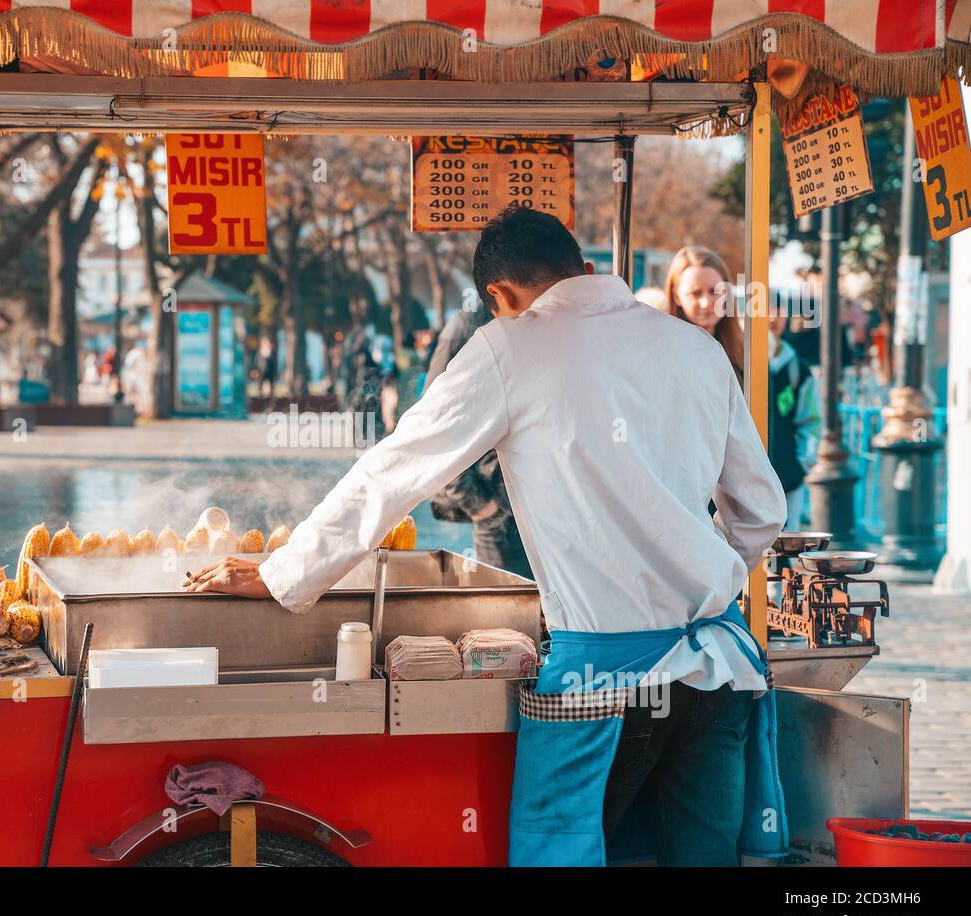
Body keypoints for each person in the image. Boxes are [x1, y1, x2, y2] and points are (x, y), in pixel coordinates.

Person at [186, 207, 787, 867]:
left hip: (600, 682)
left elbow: (393, 471)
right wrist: (695, 577)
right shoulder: (695, 347)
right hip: (718, 676)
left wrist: (283, 574)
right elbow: (761, 511)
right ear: (585, 270)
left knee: (565, 851)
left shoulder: (512, 346)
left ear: (499, 299)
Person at [423, 308, 532, 578]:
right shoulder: (466, 325)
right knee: (508, 610)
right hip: (498, 510)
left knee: (547, 613)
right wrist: (478, 503)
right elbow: (434, 422)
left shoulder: (541, 320)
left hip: (541, 508)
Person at [769, 310, 821, 530]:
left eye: (777, 310)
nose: (772, 317)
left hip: (788, 480)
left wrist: (800, 465)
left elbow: (812, 422)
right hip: (742, 485)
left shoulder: (797, 369)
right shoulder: (736, 362)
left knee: (785, 552)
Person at [664, 246, 744, 386]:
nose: (706, 303)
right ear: (676, 296)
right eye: (695, 293)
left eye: (714, 291)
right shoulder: (664, 354)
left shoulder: (745, 350)